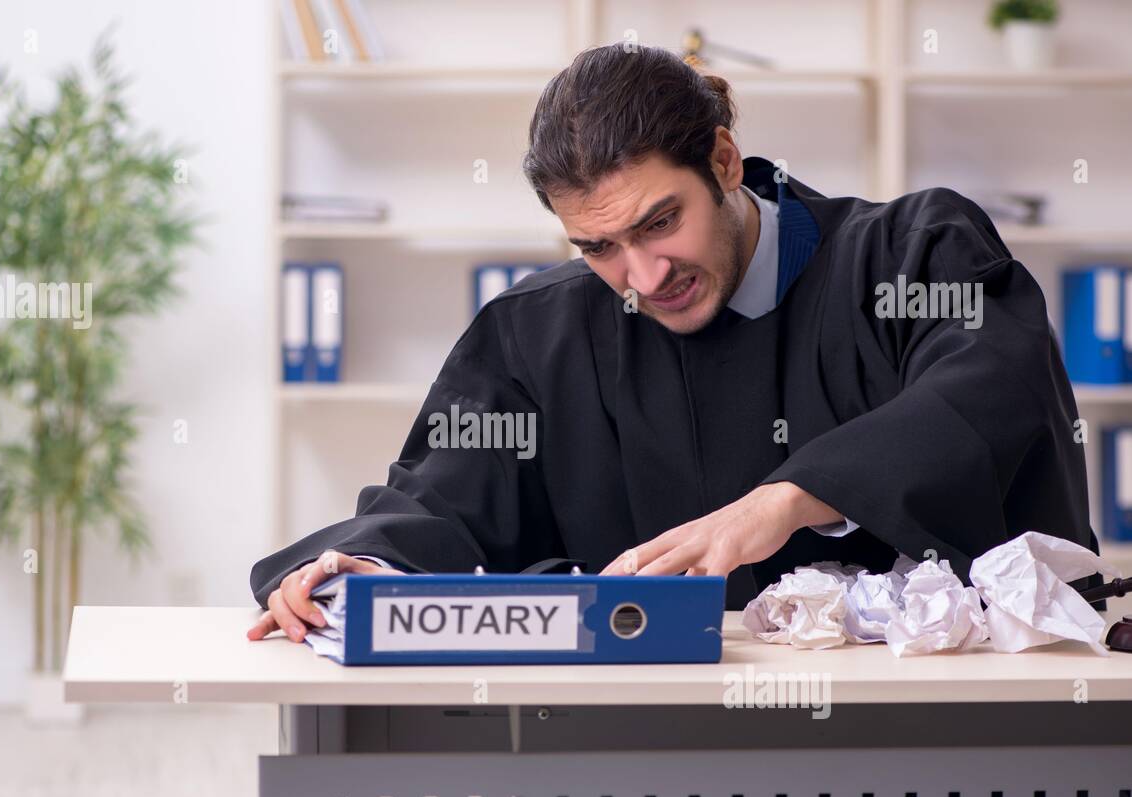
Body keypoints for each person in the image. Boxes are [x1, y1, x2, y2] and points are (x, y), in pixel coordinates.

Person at [248, 43, 1095, 644]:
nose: (644, 275)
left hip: (943, 732)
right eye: (599, 246)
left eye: (661, 223)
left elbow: (993, 384)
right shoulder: (535, 333)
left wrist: (793, 494)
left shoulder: (911, 253)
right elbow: (442, 497)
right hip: (639, 746)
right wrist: (364, 568)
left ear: (724, 160)